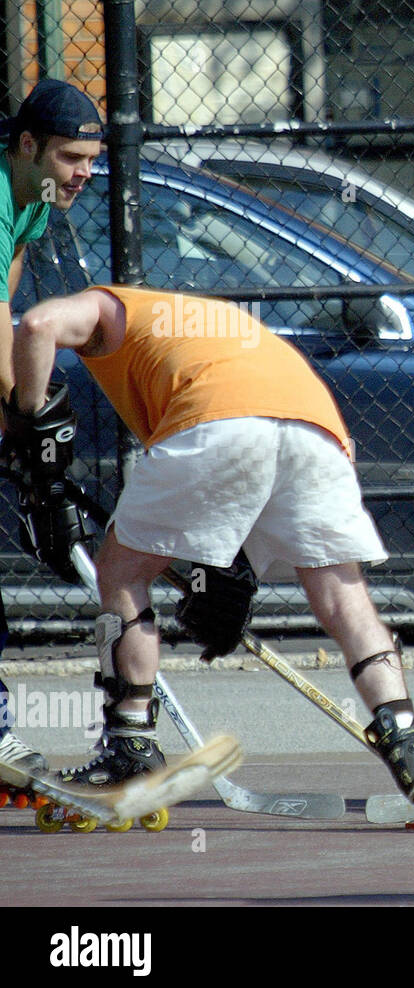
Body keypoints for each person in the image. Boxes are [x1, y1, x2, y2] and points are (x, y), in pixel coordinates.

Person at [3, 286, 414, 821]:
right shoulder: (203, 320)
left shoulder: (109, 306)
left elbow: (35, 327)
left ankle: (130, 747)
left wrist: (31, 437)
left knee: (120, 571)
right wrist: (217, 574)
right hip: (316, 431)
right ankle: (409, 746)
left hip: (217, 418)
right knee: (344, 601)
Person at [0, 80, 102, 775]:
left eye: (92, 160)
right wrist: (26, 414)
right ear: (27, 146)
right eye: (71, 158)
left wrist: (19, 421)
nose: (84, 174)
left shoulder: (30, 201)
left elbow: (7, 286)